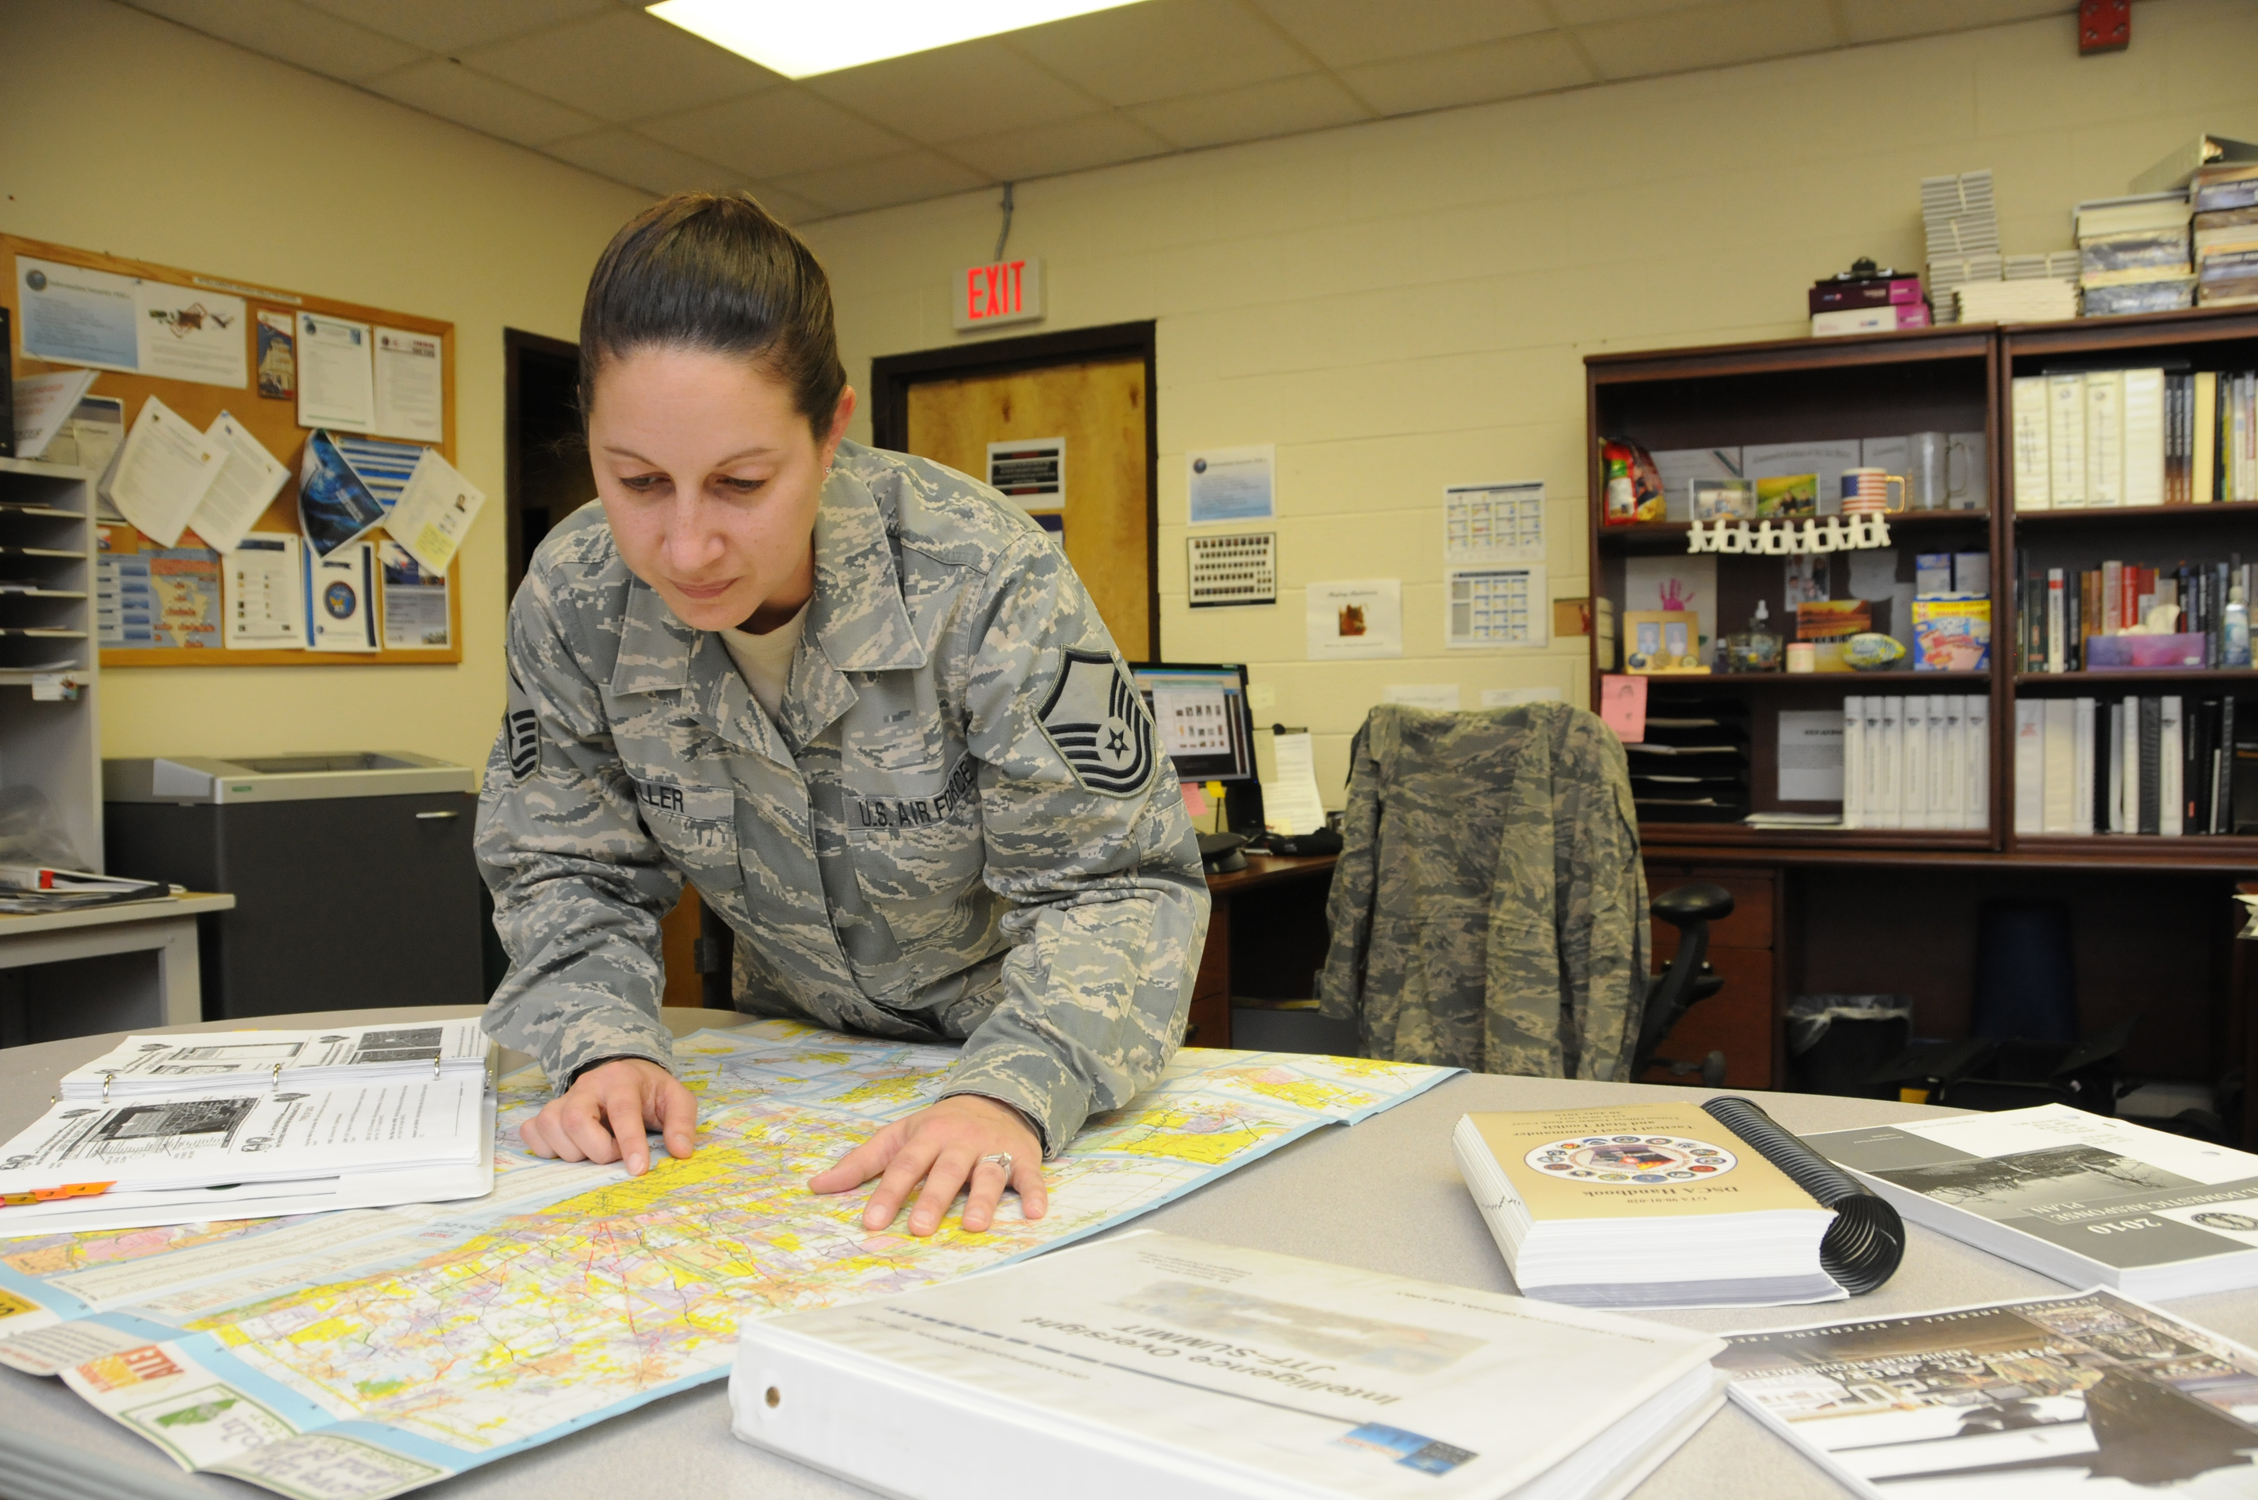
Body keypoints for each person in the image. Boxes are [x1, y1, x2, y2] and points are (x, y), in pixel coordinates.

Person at [477, 192, 1207, 1238]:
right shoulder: (575, 594)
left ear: (829, 435)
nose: (685, 547)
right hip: (801, 1073)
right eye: (637, 480)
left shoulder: (979, 574)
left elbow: (1120, 885)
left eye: (739, 483)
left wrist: (1011, 1089)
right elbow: (561, 864)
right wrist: (607, 1045)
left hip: (1045, 1066)